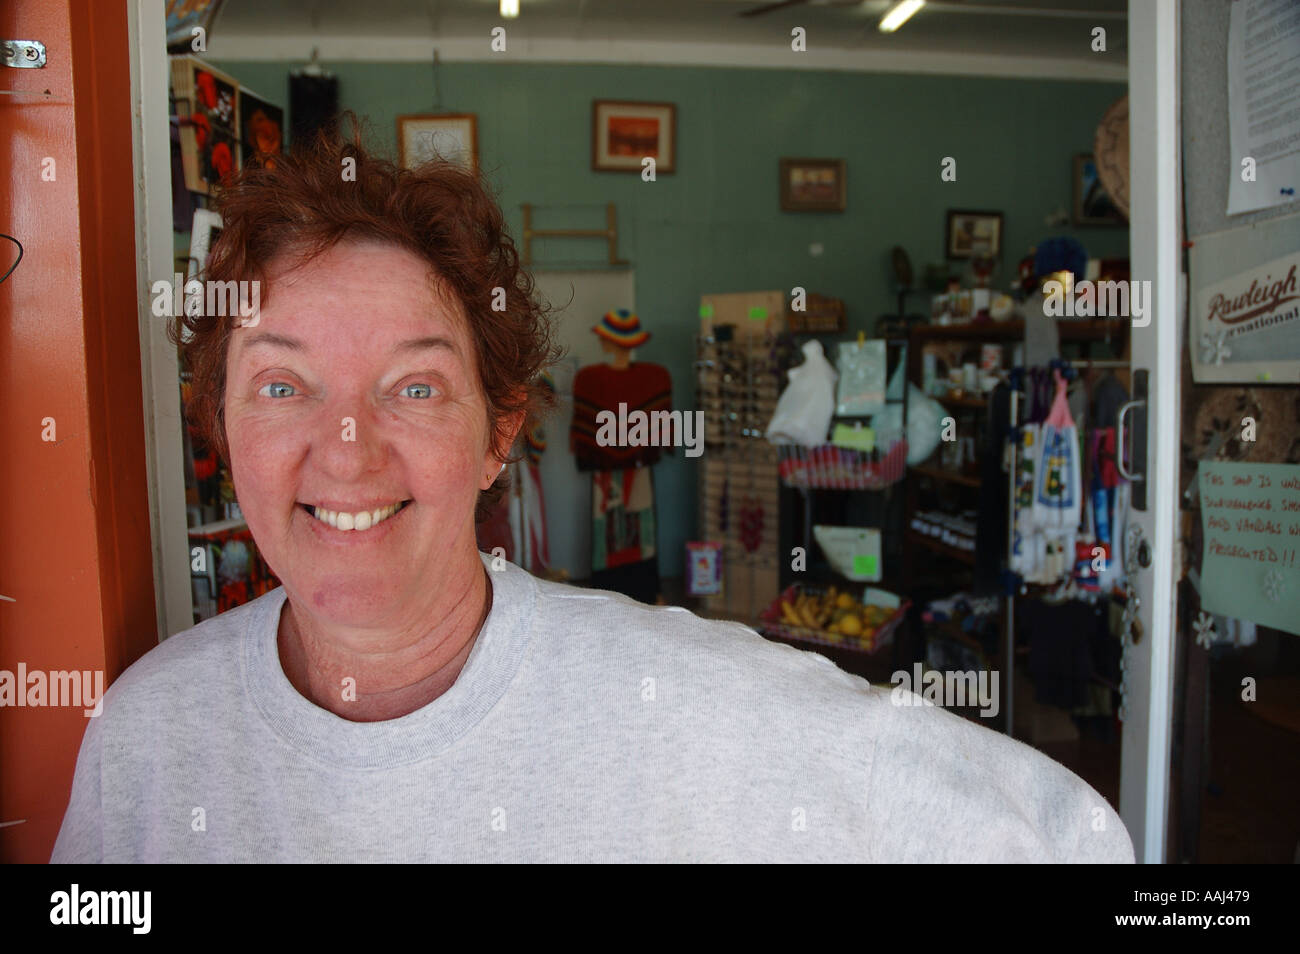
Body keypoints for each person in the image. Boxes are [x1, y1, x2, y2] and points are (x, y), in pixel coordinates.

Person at [52, 127, 1133, 863]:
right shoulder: (148, 738)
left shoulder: (690, 706)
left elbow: (1060, 840)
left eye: (415, 386)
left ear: (498, 433)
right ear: (219, 421)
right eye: (282, 384)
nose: (347, 448)